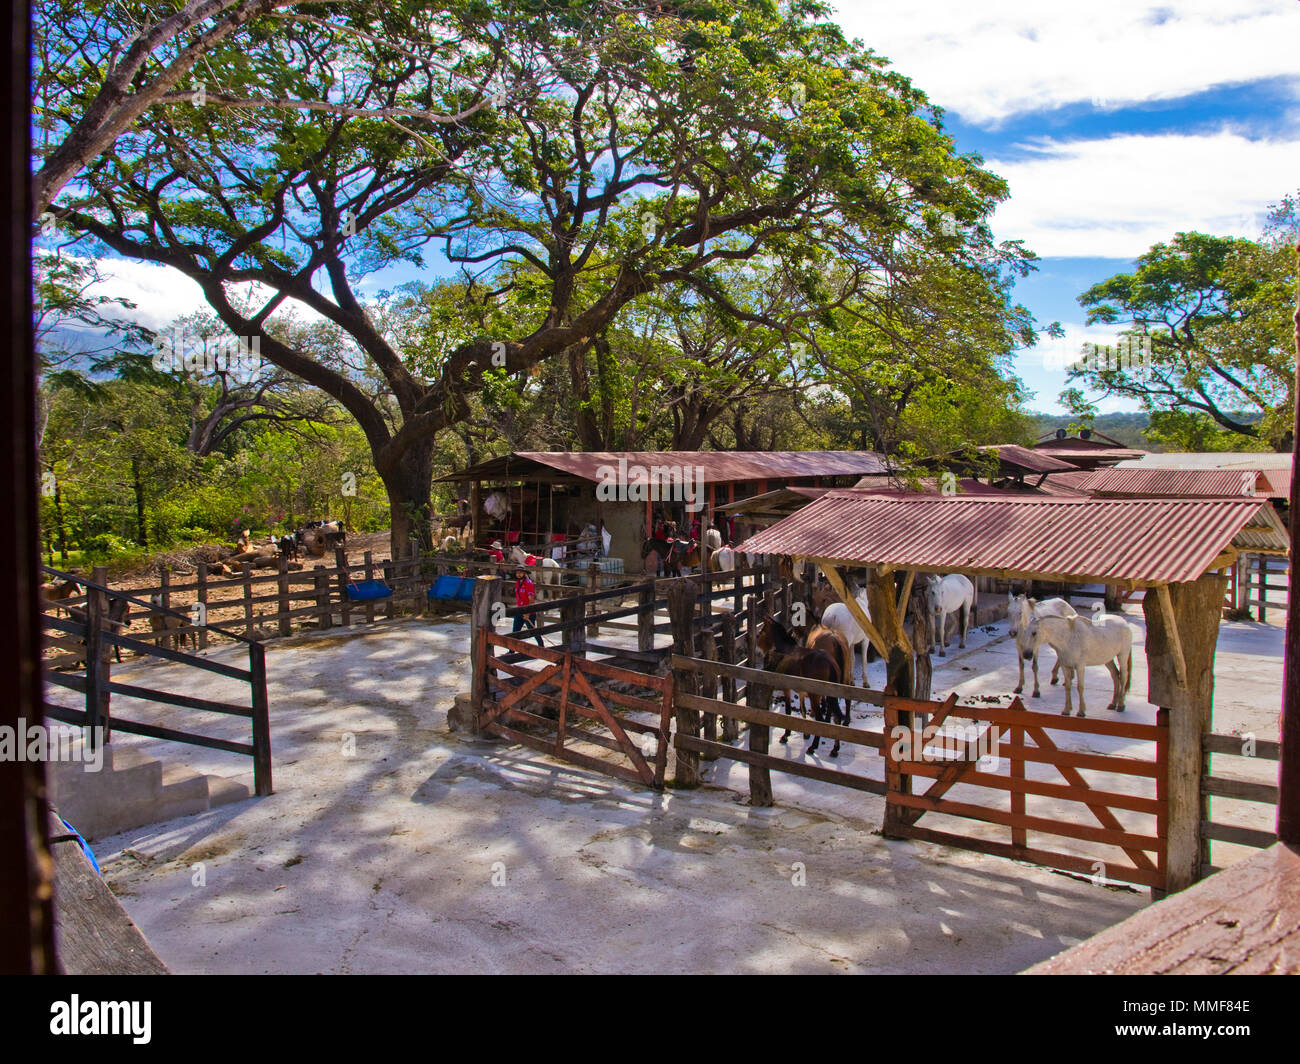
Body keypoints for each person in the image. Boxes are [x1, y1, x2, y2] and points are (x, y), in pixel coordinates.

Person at [511, 567, 543, 646]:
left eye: (520, 573)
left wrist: (527, 613)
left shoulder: (529, 583)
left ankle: (541, 646)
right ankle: (511, 651)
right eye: (517, 573)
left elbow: (531, 599)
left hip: (528, 612)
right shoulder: (517, 583)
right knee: (515, 632)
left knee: (532, 631)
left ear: (524, 573)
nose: (518, 574)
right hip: (519, 610)